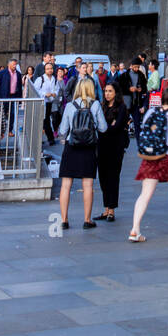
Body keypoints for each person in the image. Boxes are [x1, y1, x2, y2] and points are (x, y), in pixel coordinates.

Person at [130, 86, 168, 241]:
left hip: (152, 157)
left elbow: (144, 132)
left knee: (144, 195)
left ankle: (135, 229)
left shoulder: (151, 112)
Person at [57, 77, 107, 229]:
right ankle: (87, 220)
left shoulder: (70, 106)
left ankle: (64, 220)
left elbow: (62, 130)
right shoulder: (96, 104)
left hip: (72, 147)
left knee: (66, 185)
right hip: (89, 148)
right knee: (88, 185)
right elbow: (103, 128)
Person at [96, 81, 130, 222]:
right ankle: (106, 209)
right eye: (106, 91)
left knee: (113, 177)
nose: (107, 94)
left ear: (116, 93)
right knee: (103, 178)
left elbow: (116, 128)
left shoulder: (121, 107)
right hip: (102, 146)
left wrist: (106, 127)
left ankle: (112, 210)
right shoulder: (102, 107)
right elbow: (99, 125)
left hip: (116, 147)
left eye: (110, 91)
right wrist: (109, 125)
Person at [34, 61, 60, 143]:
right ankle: (46, 139)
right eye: (48, 69)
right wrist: (45, 94)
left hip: (50, 103)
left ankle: (49, 139)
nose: (50, 70)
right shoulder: (40, 79)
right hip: (42, 103)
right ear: (45, 70)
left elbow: (57, 89)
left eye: (51, 68)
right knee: (42, 121)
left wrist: (55, 93)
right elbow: (35, 91)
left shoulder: (54, 79)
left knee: (47, 120)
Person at [0, 58, 22, 134]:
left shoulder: (18, 74)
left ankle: (10, 130)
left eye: (15, 64)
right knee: (2, 114)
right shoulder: (2, 73)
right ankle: (1, 130)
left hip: (14, 96)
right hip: (4, 96)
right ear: (8, 65)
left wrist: (20, 99)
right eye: (13, 64)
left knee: (12, 114)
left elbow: (20, 87)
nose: (15, 66)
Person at [126, 58, 148, 142]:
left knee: (137, 124)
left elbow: (145, 91)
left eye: (137, 67)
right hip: (127, 103)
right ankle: (122, 144)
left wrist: (141, 90)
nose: (136, 69)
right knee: (124, 124)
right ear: (131, 66)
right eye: (134, 67)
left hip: (137, 103)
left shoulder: (141, 76)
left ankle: (139, 144)